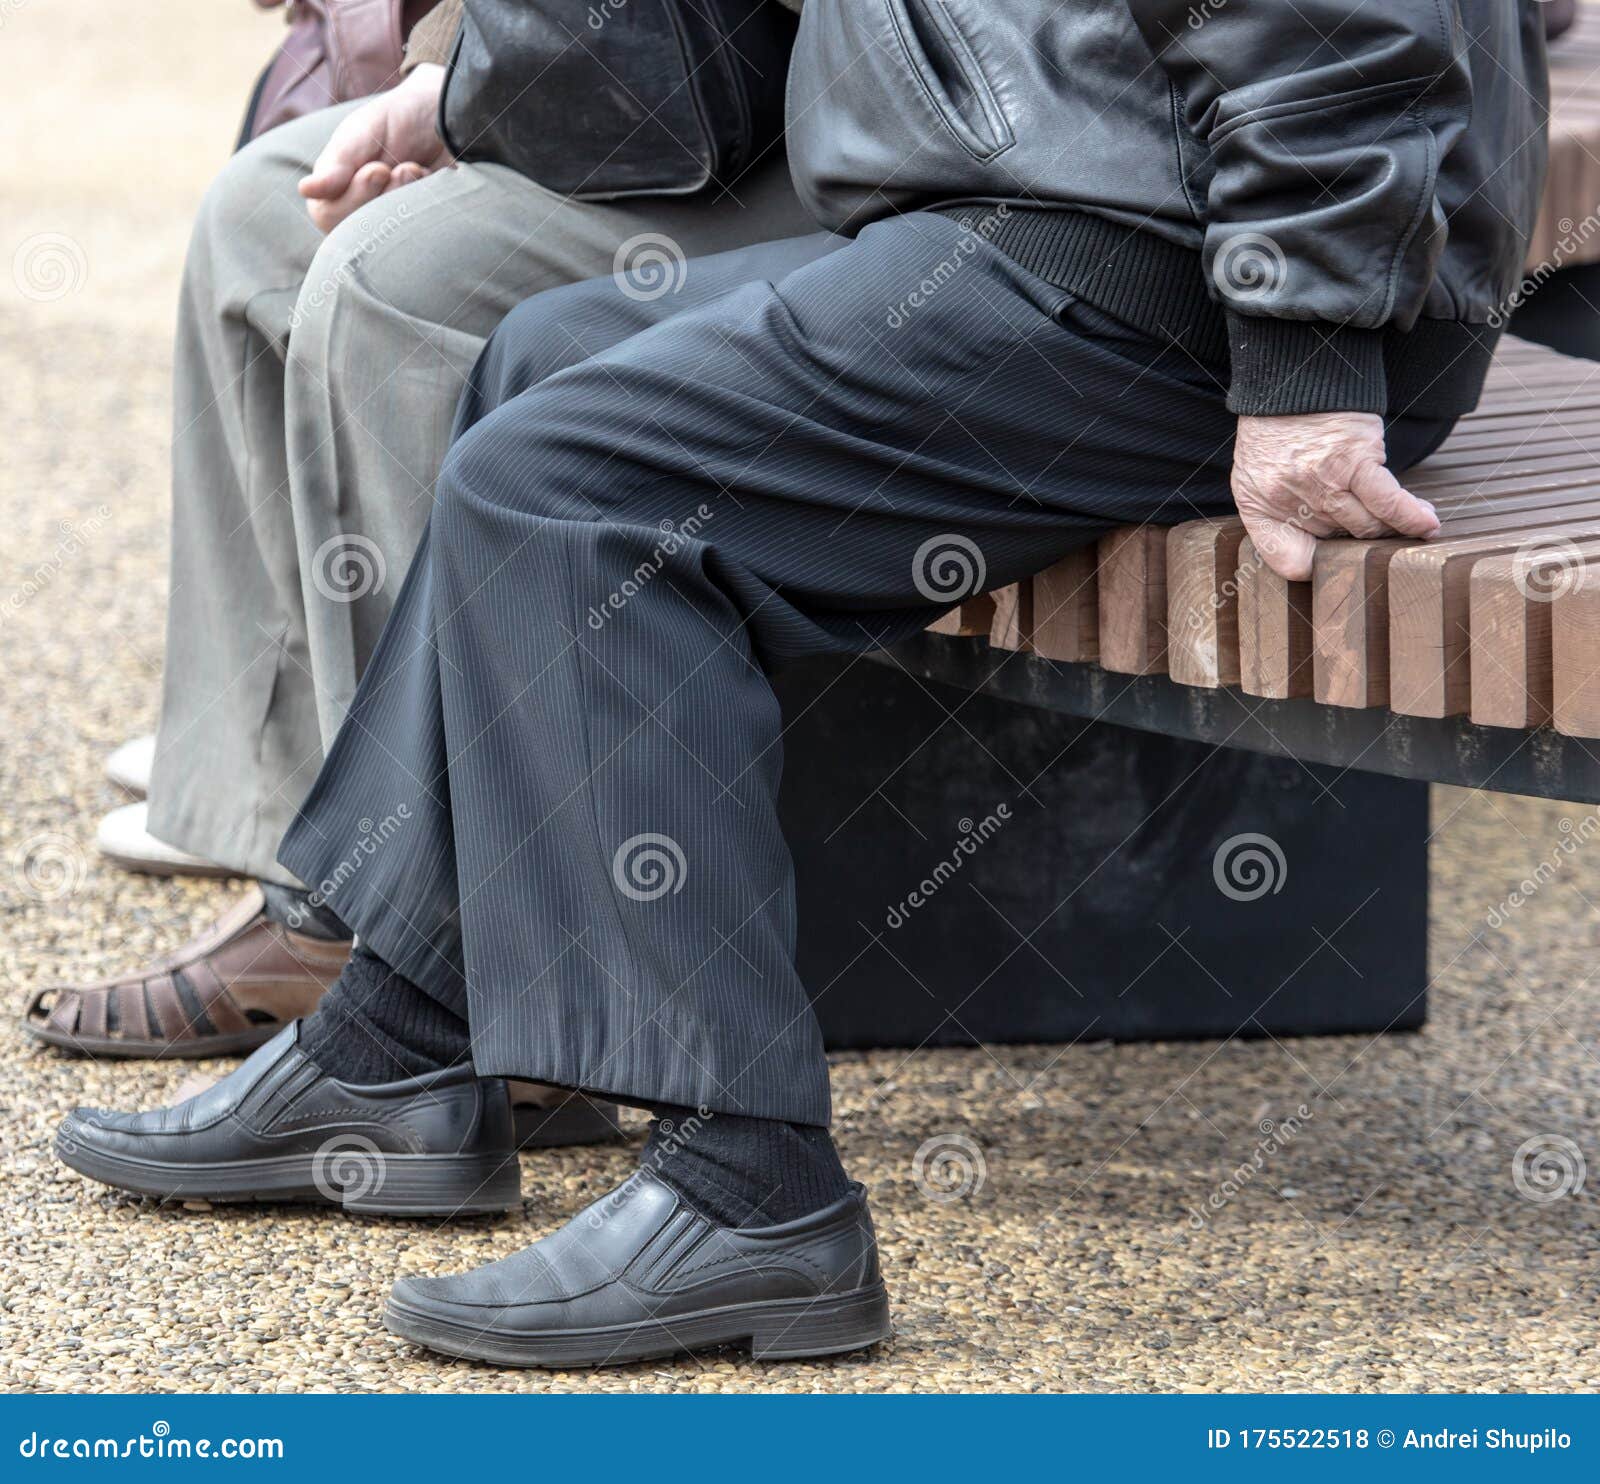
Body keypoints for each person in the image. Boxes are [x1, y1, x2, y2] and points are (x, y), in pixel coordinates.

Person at [56, 0, 1543, 1368]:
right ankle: (405, 1034)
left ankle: (748, 1186)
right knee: (539, 357)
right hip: (1029, 217)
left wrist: (1308, 346)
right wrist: (483, 89)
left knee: (570, 493)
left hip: (1191, 277)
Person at [24, 0, 815, 1067]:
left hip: (819, 132)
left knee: (387, 285)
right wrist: (457, 77)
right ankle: (313, 889)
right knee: (255, 214)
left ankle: (474, 977)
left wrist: (478, 94)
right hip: (646, 87)